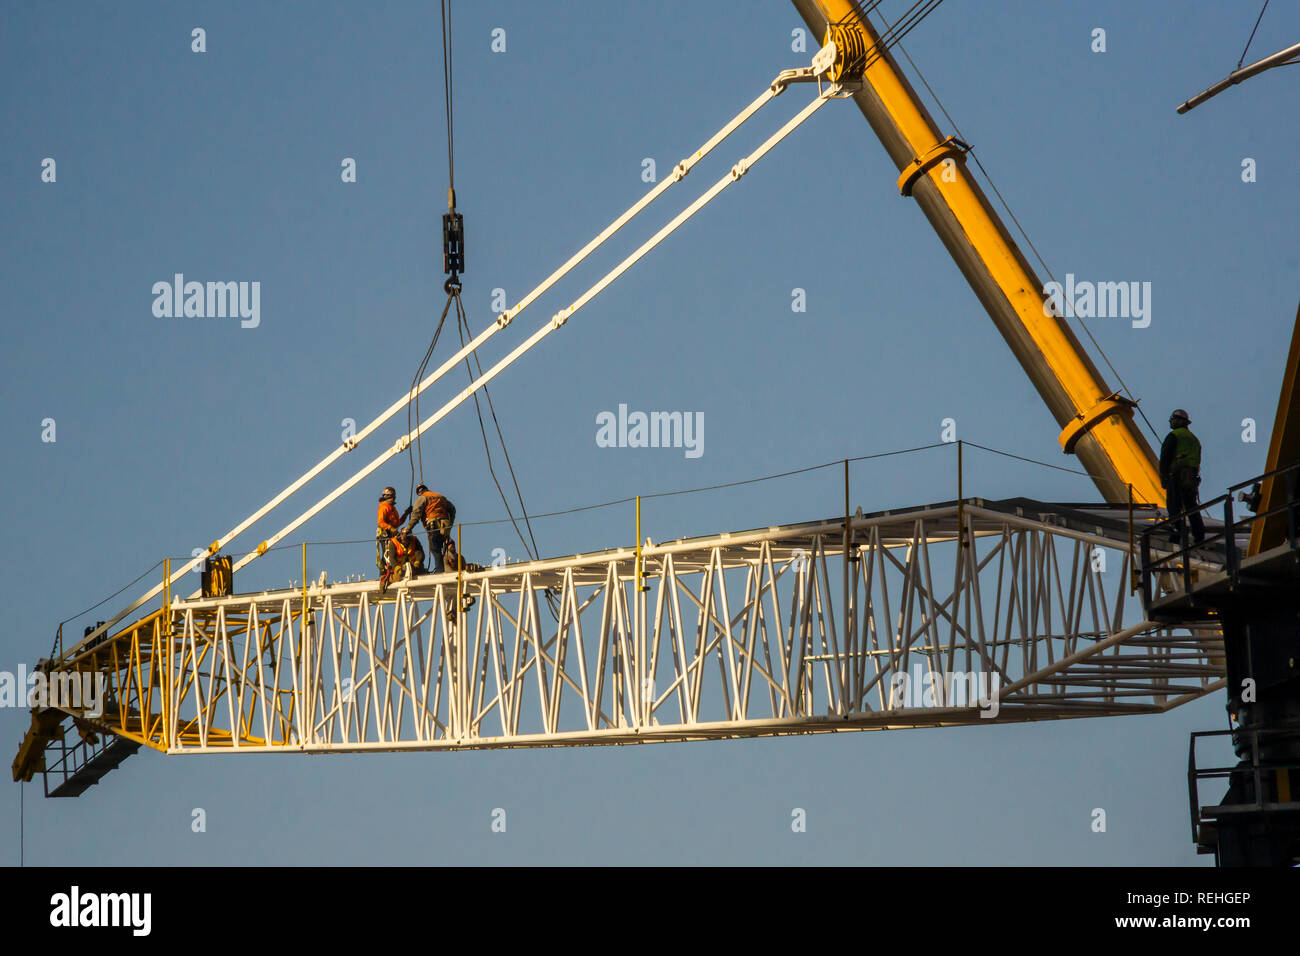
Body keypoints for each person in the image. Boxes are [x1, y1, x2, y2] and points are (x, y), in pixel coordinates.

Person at [1159, 408, 1205, 546]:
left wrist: (1164, 479)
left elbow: (1165, 459)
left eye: (1172, 419)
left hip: (1176, 476)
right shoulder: (1194, 439)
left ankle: (1176, 536)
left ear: (1179, 421)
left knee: (1174, 508)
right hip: (1190, 478)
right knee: (1191, 507)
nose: (1171, 422)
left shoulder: (1174, 436)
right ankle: (1199, 536)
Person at [406, 483, 456, 574]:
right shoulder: (441, 497)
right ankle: (448, 568)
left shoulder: (422, 498)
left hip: (433, 525)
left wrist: (408, 528)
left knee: (435, 548)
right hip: (445, 525)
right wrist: (450, 524)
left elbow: (416, 515)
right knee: (444, 548)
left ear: (419, 492)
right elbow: (452, 509)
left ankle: (440, 571)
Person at [375, 486, 411, 574]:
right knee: (387, 555)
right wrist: (390, 528)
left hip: (392, 536)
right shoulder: (384, 507)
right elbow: (380, 522)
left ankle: (393, 571)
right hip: (385, 535)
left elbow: (397, 523)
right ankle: (384, 574)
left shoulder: (393, 509)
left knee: (394, 553)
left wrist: (406, 514)